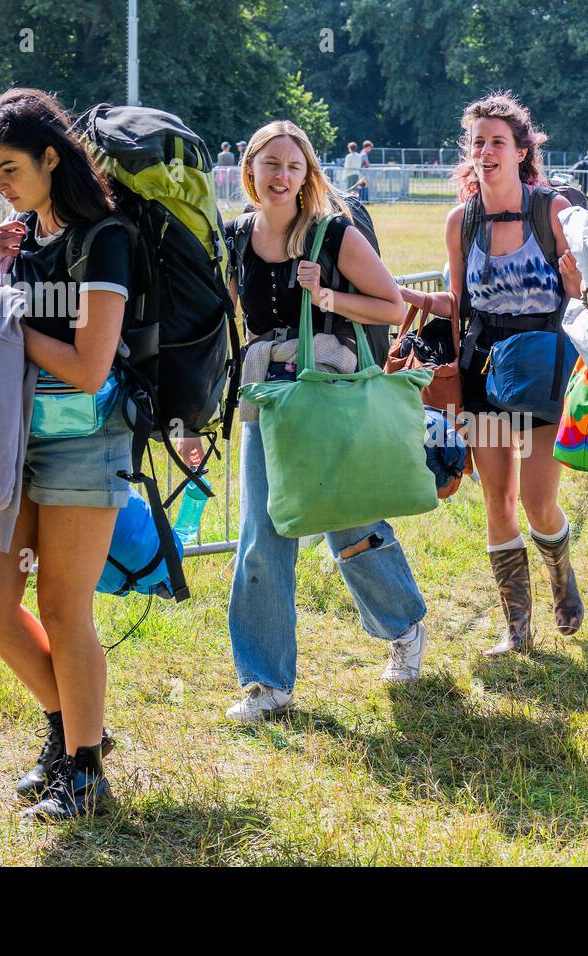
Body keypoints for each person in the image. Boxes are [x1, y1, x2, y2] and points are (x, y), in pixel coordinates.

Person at [202, 120, 428, 722]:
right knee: (262, 534)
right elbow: (227, 318)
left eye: (293, 166)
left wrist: (326, 296)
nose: (281, 176)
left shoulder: (333, 235)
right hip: (267, 398)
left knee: (345, 522)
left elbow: (392, 305)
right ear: (249, 169)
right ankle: (266, 684)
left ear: (308, 176)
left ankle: (404, 626)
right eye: (269, 164)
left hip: (329, 393)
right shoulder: (234, 239)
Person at [0, 88, 134, 822]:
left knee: (65, 609)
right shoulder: (21, 237)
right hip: (14, 441)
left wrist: (8, 324)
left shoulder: (104, 238)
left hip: (86, 442)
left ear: (50, 158)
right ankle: (71, 733)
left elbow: (91, 367)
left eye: (9, 168)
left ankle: (86, 773)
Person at [400, 91, 586, 656]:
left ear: (521, 149)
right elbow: (459, 303)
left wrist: (579, 280)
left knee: (535, 500)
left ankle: (561, 574)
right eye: (477, 142)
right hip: (483, 370)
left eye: (497, 142)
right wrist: (403, 297)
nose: (486, 151)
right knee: (497, 501)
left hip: (542, 366)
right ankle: (518, 630)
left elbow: (579, 296)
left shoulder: (550, 210)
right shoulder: (462, 221)